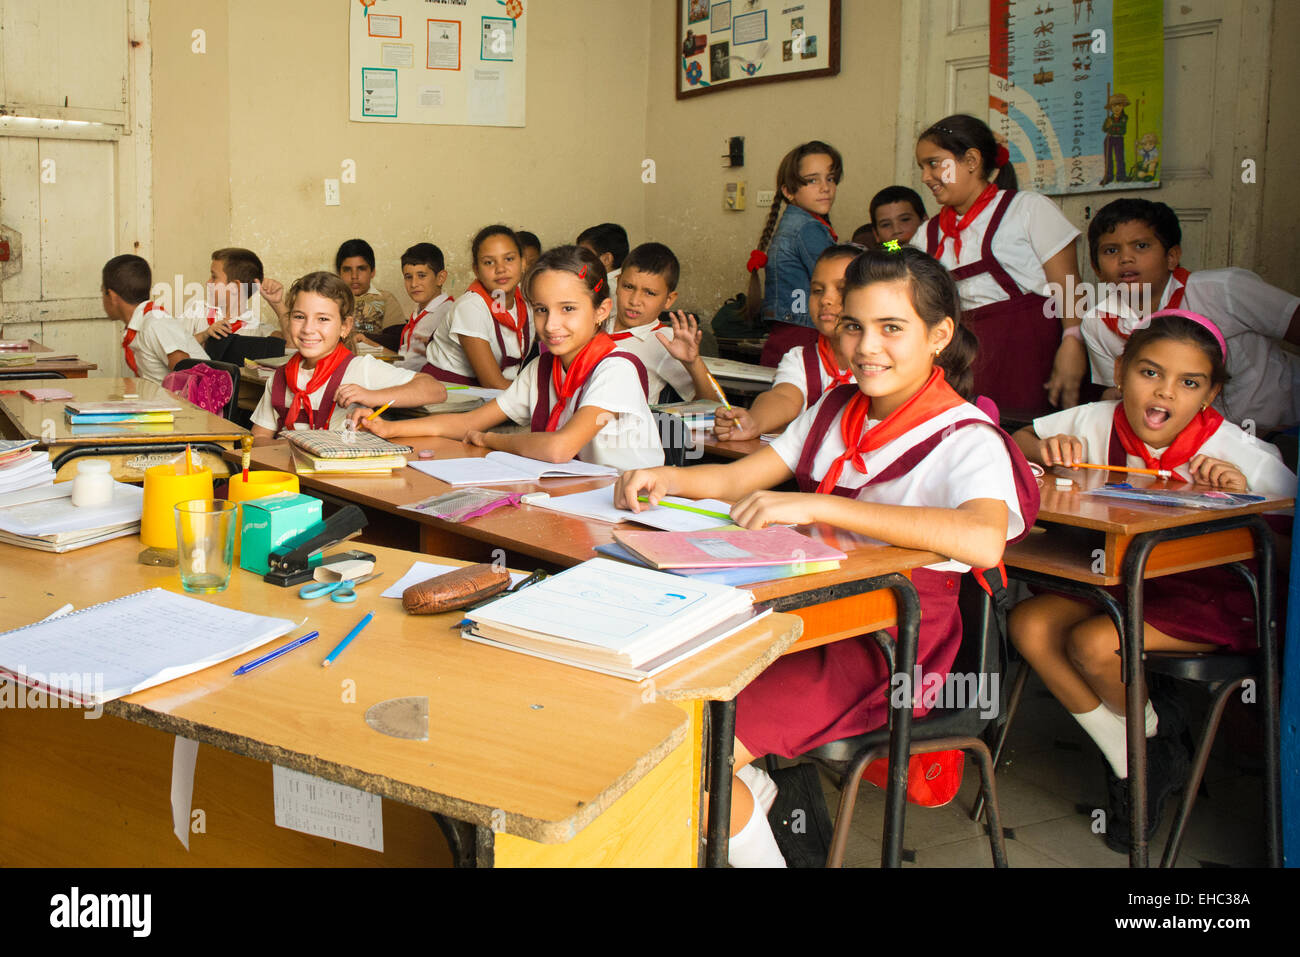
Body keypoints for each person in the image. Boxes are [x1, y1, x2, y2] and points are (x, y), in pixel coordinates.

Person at [614, 247, 1037, 866]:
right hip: (804, 611)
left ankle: (741, 804)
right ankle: (752, 801)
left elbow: (982, 539)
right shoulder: (838, 408)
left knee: (690, 750)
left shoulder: (965, 436)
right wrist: (664, 478)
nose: (867, 346)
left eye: (892, 328)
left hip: (888, 641)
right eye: (854, 326)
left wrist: (820, 508)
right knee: (660, 704)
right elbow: (744, 478)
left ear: (940, 335)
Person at [1010, 309, 1296, 851]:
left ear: (1209, 395)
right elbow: (1019, 439)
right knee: (1027, 623)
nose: (1165, 392)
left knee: (1093, 643)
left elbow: (1288, 550)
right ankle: (1142, 753)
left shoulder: (1242, 452)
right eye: (1150, 372)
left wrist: (1240, 505)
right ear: (1120, 371)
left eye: (1189, 383)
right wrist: (1045, 449)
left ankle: (1144, 756)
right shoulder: (1096, 420)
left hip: (1216, 594)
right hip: (1126, 582)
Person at [355, 246, 664, 471]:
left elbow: (559, 448)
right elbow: (469, 423)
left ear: (601, 310)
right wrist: (390, 429)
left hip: (631, 507)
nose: (551, 324)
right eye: (542, 309)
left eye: (568, 308)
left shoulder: (615, 369)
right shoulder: (543, 370)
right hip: (578, 495)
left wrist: (492, 440)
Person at [911, 114, 1087, 420]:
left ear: (971, 160)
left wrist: (1074, 342)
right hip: (962, 365)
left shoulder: (1029, 209)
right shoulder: (925, 234)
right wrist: (883, 247)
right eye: (922, 167)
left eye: (934, 163)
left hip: (1031, 359)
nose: (926, 176)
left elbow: (1069, 286)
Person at [1080, 198, 1300, 434]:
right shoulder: (1097, 324)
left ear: (1172, 257)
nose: (1125, 258)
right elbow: (1120, 394)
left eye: (1141, 246)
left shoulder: (1224, 289)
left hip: (1286, 423)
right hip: (1201, 445)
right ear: (1096, 268)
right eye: (1111, 250)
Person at [249, 272, 443, 436]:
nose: (308, 328)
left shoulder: (360, 369)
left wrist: (372, 396)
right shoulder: (279, 377)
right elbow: (260, 437)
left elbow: (434, 389)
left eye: (323, 319)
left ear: (345, 326)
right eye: (299, 317)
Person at [714, 244, 858, 441]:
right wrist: (754, 421)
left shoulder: (881, 364)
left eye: (841, 289)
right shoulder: (801, 358)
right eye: (817, 290)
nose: (826, 299)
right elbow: (784, 397)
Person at [747, 140, 842, 366]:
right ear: (789, 191)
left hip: (789, 334)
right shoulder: (807, 228)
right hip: (804, 336)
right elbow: (841, 281)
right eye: (812, 180)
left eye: (830, 178)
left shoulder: (802, 223)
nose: (825, 187)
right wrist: (893, 247)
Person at [422, 225, 532, 389]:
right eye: (489, 262)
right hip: (452, 395)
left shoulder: (527, 304)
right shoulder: (471, 307)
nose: (500, 269)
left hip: (501, 394)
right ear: (476, 270)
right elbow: (492, 383)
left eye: (509, 259)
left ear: (523, 263)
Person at [607, 242, 714, 403]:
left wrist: (693, 363)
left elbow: (713, 404)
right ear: (617, 282)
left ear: (668, 300)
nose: (635, 301)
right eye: (628, 287)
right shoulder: (596, 324)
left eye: (650, 293)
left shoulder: (665, 341)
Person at [105, 254, 208, 384]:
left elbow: (188, 375)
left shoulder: (155, 324)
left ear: (112, 297)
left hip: (188, 402)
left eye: (102, 292)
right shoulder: (139, 325)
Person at [335, 238, 406, 349]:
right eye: (347, 270)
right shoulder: (330, 301)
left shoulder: (386, 299)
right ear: (339, 273)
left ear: (372, 272)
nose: (354, 276)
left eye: (361, 269)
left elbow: (398, 340)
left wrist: (365, 337)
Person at [394, 243, 454, 371]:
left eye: (421, 276)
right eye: (408, 277)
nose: (414, 284)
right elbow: (408, 357)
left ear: (440, 278)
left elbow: (415, 363)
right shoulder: (420, 311)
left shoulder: (447, 313)